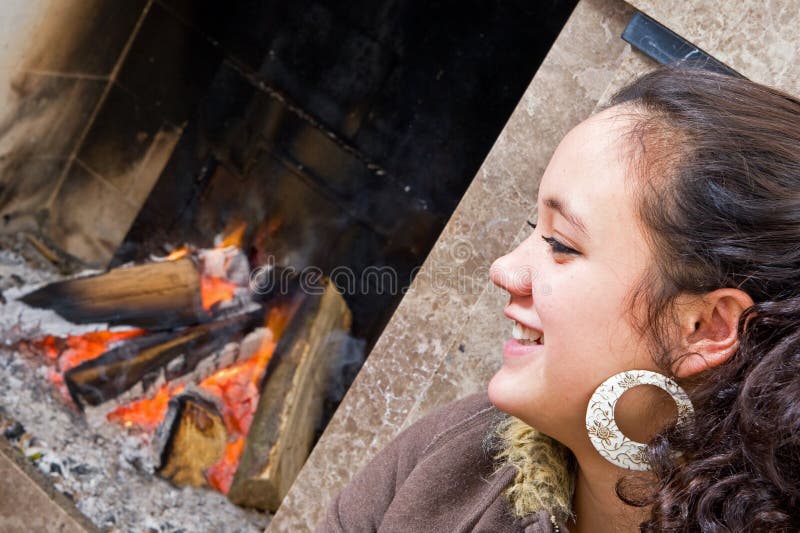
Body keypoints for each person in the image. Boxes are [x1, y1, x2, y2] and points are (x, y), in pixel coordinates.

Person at [316, 63, 800, 532]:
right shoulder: (464, 453)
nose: (503, 270)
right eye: (534, 229)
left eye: (561, 244)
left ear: (705, 328)